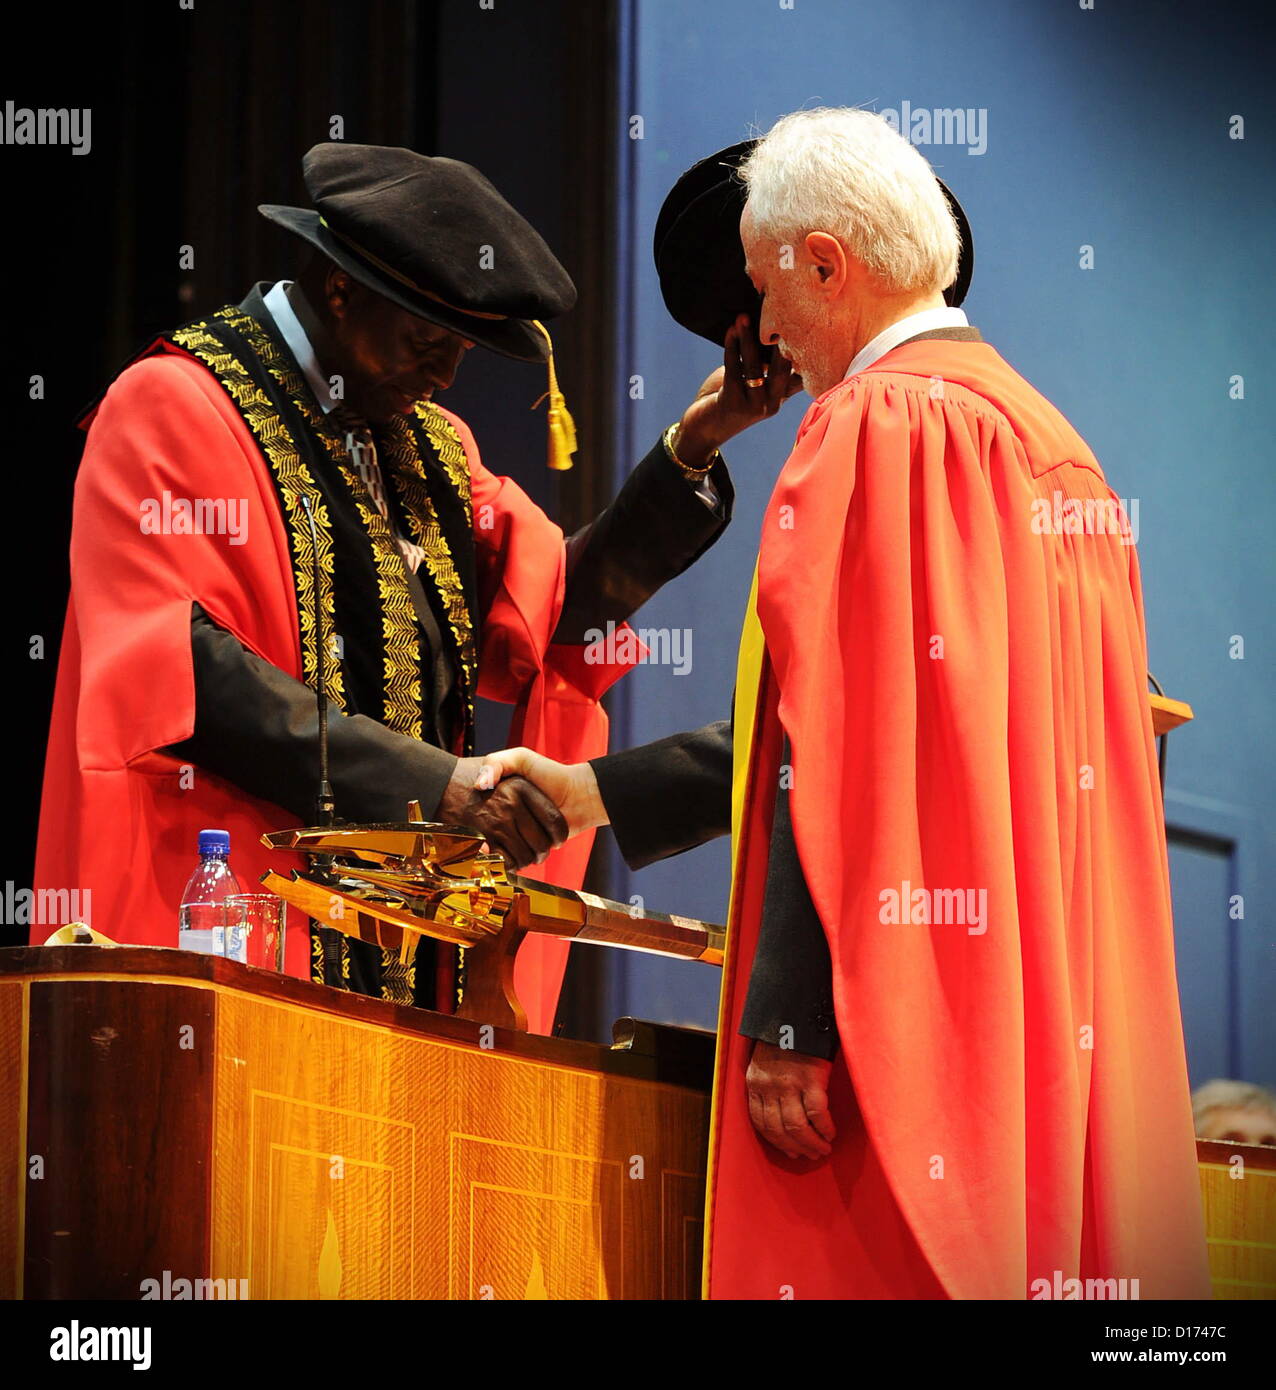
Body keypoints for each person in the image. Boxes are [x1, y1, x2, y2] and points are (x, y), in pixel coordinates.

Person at [481, 109, 1212, 1298]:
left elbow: (840, 749)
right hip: (1042, 1019)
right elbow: (922, 737)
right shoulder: (1058, 456)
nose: (762, 335)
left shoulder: (879, 424)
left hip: (901, 1043)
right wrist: (592, 792)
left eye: (769, 291)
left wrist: (792, 1017)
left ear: (825, 262)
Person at [33, 142, 797, 1031]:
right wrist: (437, 784)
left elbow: (553, 616)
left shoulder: (428, 445)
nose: (443, 375)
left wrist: (698, 443)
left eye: (462, 351)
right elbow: (190, 678)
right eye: (427, 342)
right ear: (340, 290)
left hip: (401, 941)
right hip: (224, 904)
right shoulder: (172, 405)